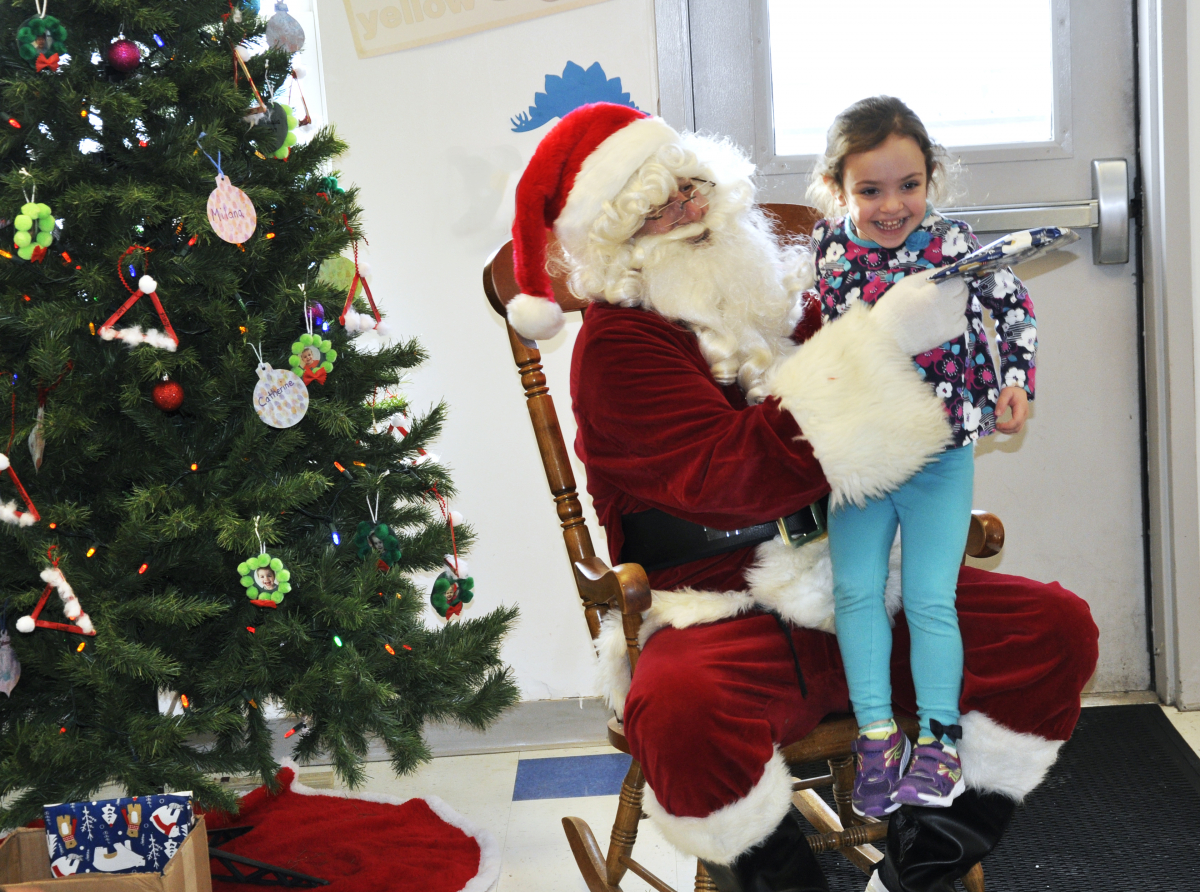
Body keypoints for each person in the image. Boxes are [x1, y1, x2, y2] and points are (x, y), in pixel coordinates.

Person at [506, 102, 1097, 892]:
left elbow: (909, 401)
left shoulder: (777, 299)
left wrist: (959, 342)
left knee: (1053, 629)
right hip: (720, 611)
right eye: (655, 208)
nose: (689, 212)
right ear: (616, 243)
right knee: (678, 714)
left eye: (691, 186)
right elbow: (728, 477)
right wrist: (876, 346)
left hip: (853, 580)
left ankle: (917, 869)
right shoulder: (620, 347)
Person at [806, 96, 1039, 819]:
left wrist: (1014, 380)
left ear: (931, 177)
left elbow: (1012, 307)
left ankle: (938, 741)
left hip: (941, 453)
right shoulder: (827, 250)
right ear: (837, 188)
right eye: (869, 190)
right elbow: (806, 335)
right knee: (856, 594)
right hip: (861, 459)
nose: (891, 205)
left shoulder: (952, 243)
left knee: (933, 599)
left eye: (909, 185)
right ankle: (877, 738)